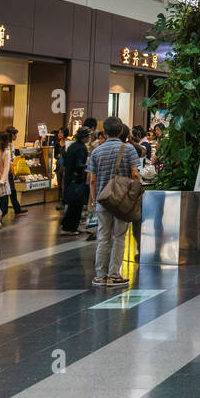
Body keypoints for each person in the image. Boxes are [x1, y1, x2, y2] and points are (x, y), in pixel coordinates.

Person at [86, 116, 141, 288]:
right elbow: (135, 174)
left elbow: (92, 180)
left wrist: (94, 201)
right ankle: (114, 275)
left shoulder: (96, 151)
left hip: (103, 200)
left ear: (105, 132)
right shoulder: (129, 149)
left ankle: (100, 276)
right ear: (121, 131)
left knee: (103, 237)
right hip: (122, 201)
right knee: (119, 237)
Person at [60, 128, 91, 235]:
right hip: (77, 180)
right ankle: (71, 228)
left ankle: (69, 226)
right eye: (88, 136)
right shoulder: (81, 148)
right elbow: (79, 165)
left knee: (72, 205)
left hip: (69, 177)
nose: (89, 138)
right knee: (76, 205)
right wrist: (88, 167)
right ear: (84, 137)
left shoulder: (72, 146)